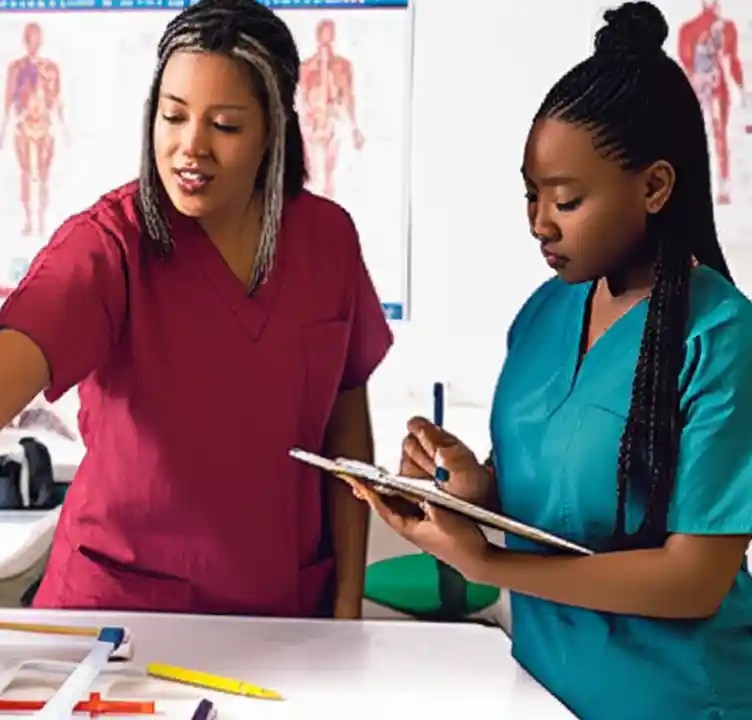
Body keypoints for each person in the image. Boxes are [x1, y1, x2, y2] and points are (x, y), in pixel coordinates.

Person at [0, 0, 393, 682]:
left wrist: (345, 605)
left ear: (274, 130)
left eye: (225, 125)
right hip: (114, 624)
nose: (190, 146)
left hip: (280, 626)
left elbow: (347, 428)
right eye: (173, 114)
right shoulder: (112, 245)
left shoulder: (326, 240)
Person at [352, 4, 752, 718]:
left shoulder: (719, 337)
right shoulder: (544, 314)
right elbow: (570, 502)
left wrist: (485, 562)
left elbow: (696, 579)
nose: (539, 222)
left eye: (566, 200)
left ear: (655, 188)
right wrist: (472, 490)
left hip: (675, 701)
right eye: (531, 195)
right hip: (539, 687)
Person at [0, 22, 67, 239]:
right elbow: (8, 99)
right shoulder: (16, 68)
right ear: (25, 41)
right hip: (24, 126)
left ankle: (42, 220)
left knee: (44, 175)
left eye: (36, 38)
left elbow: (56, 99)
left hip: (44, 125)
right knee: (26, 173)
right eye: (30, 38)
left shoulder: (50, 68)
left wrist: (63, 126)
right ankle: (28, 218)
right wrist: (2, 128)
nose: (33, 43)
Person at [677, 0, 743, 205]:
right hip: (700, 90)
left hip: (716, 90)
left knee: (717, 135)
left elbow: (732, 62)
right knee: (697, 136)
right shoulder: (690, 29)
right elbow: (686, 64)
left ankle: (721, 185)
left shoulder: (727, 28)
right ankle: (696, 185)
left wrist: (741, 89)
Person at [297, 18, 364, 200]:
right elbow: (302, 97)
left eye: (330, 37)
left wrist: (354, 128)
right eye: (323, 38)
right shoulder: (306, 67)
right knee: (311, 169)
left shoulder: (342, 67)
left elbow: (348, 96)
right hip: (313, 121)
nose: (326, 43)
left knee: (329, 169)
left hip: (333, 119)